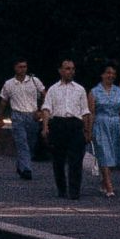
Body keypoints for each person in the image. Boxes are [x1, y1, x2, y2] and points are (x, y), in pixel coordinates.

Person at [38, 60, 90, 200]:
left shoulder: (79, 89)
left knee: (76, 160)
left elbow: (85, 111)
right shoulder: (53, 89)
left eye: (72, 69)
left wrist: (87, 130)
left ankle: (74, 191)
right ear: (60, 70)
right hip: (59, 124)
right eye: (67, 69)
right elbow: (47, 108)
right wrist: (45, 127)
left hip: (75, 124)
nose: (70, 71)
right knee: (58, 160)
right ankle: (62, 188)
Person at [0, 59, 45, 180]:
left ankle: (21, 164)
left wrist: (41, 111)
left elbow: (45, 94)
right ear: (15, 68)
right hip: (17, 116)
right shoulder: (9, 84)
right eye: (20, 67)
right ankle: (27, 169)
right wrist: (0, 118)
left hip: (32, 115)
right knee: (22, 143)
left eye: (25, 67)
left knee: (31, 144)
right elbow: (3, 101)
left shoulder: (34, 81)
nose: (23, 69)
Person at [89, 63, 120, 197]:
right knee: (104, 153)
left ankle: (104, 181)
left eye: (113, 74)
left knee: (113, 155)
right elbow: (91, 112)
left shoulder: (119, 91)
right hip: (101, 123)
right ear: (102, 74)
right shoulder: (94, 91)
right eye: (108, 73)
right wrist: (89, 129)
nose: (110, 76)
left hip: (115, 124)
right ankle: (110, 187)